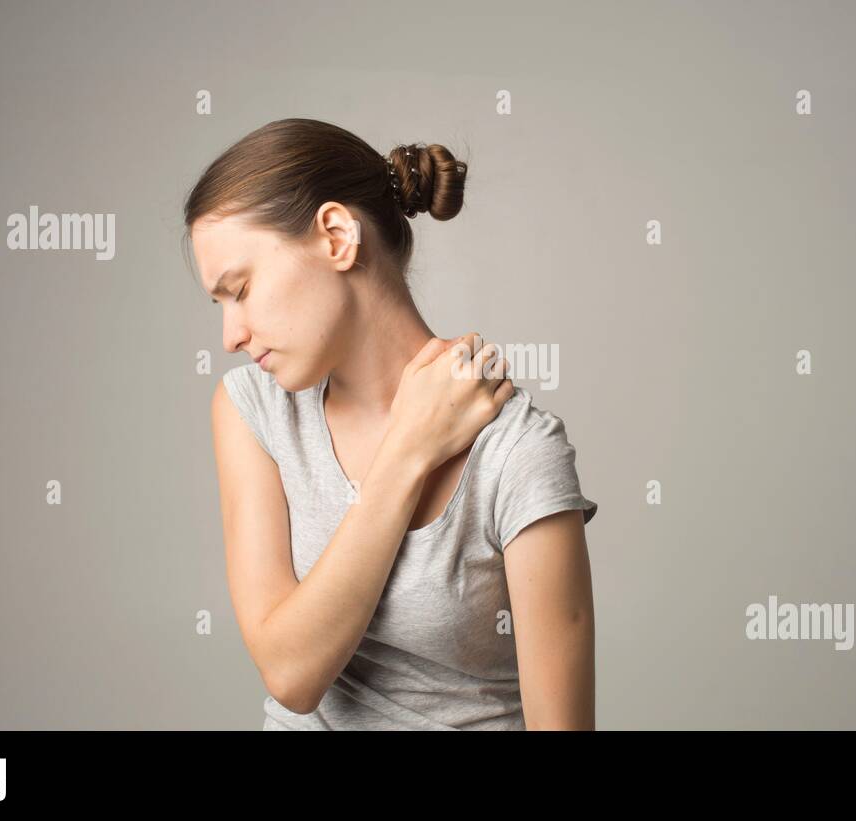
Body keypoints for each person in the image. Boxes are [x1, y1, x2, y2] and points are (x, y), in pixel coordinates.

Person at [183, 118, 598, 730]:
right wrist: (408, 451)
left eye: (240, 289)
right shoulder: (253, 411)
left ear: (335, 236)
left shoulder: (517, 453)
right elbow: (291, 674)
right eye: (220, 304)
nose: (230, 336)